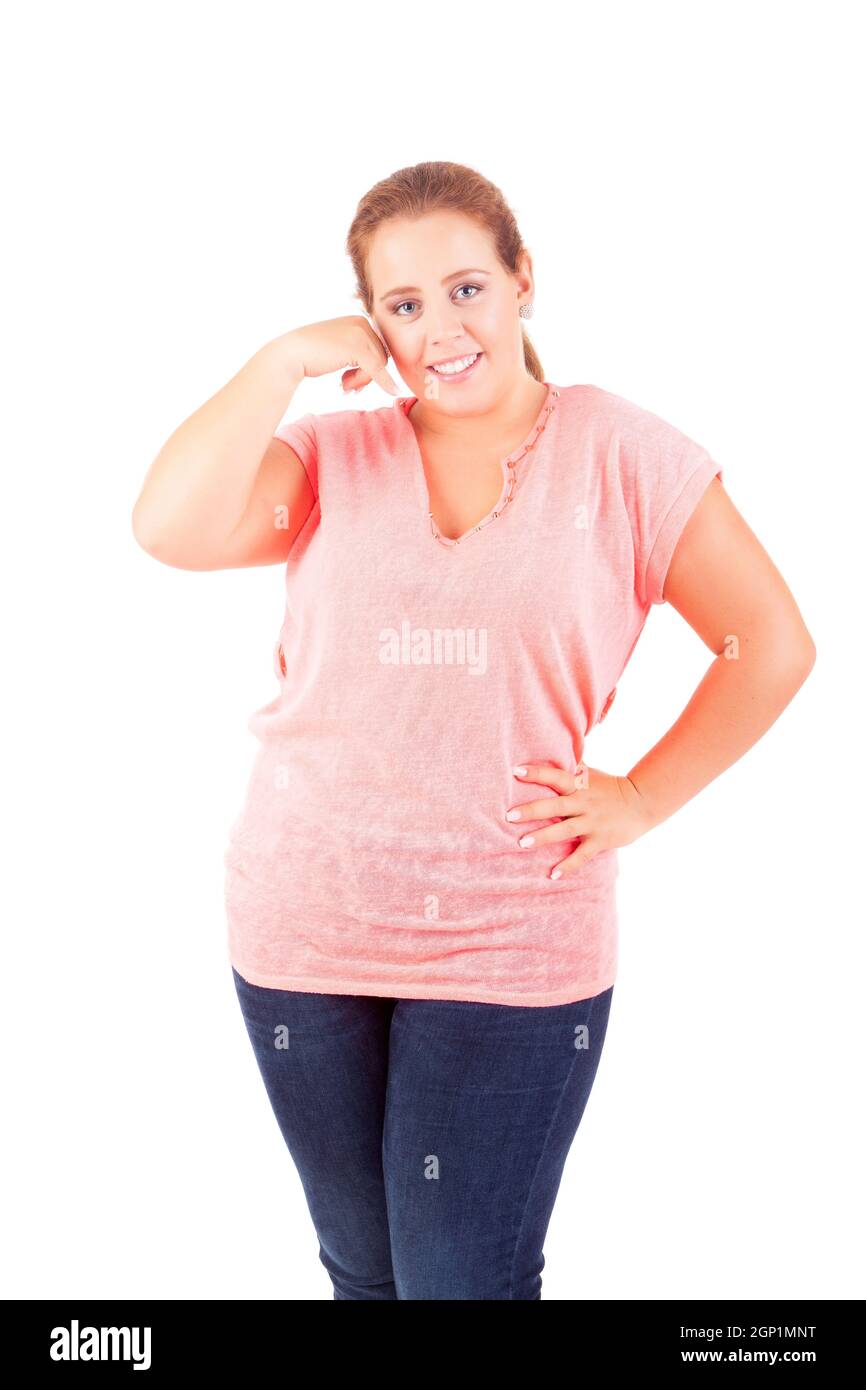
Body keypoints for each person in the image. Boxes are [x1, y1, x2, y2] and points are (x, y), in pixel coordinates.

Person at [131, 160, 816, 1299]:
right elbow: (166, 527)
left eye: (463, 289)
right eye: (401, 306)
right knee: (366, 1274)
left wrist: (638, 796)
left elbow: (769, 644)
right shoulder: (333, 456)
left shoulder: (621, 453)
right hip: (304, 923)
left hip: (510, 938)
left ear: (521, 282)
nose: (439, 328)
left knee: (459, 1281)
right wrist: (279, 364)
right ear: (371, 327)